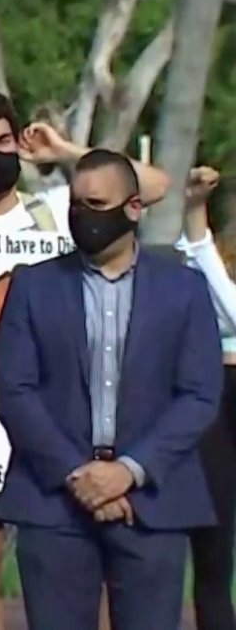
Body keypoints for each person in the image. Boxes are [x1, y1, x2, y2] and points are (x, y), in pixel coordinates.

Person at [0, 92, 173, 630]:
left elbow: (153, 186)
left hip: (69, 407)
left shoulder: (58, 210)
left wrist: (65, 150)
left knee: (83, 552)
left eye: (4, 140)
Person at [0, 149, 222, 630]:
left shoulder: (185, 290)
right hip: (53, 501)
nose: (82, 216)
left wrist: (129, 472)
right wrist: (80, 473)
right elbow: (14, 389)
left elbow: (199, 395)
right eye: (75, 204)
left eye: (96, 204)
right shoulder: (33, 286)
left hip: (154, 503)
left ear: (133, 208)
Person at [175, 164, 236, 630]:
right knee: (212, 555)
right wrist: (194, 206)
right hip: (215, 399)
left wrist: (199, 239)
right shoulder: (219, 259)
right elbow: (194, 266)